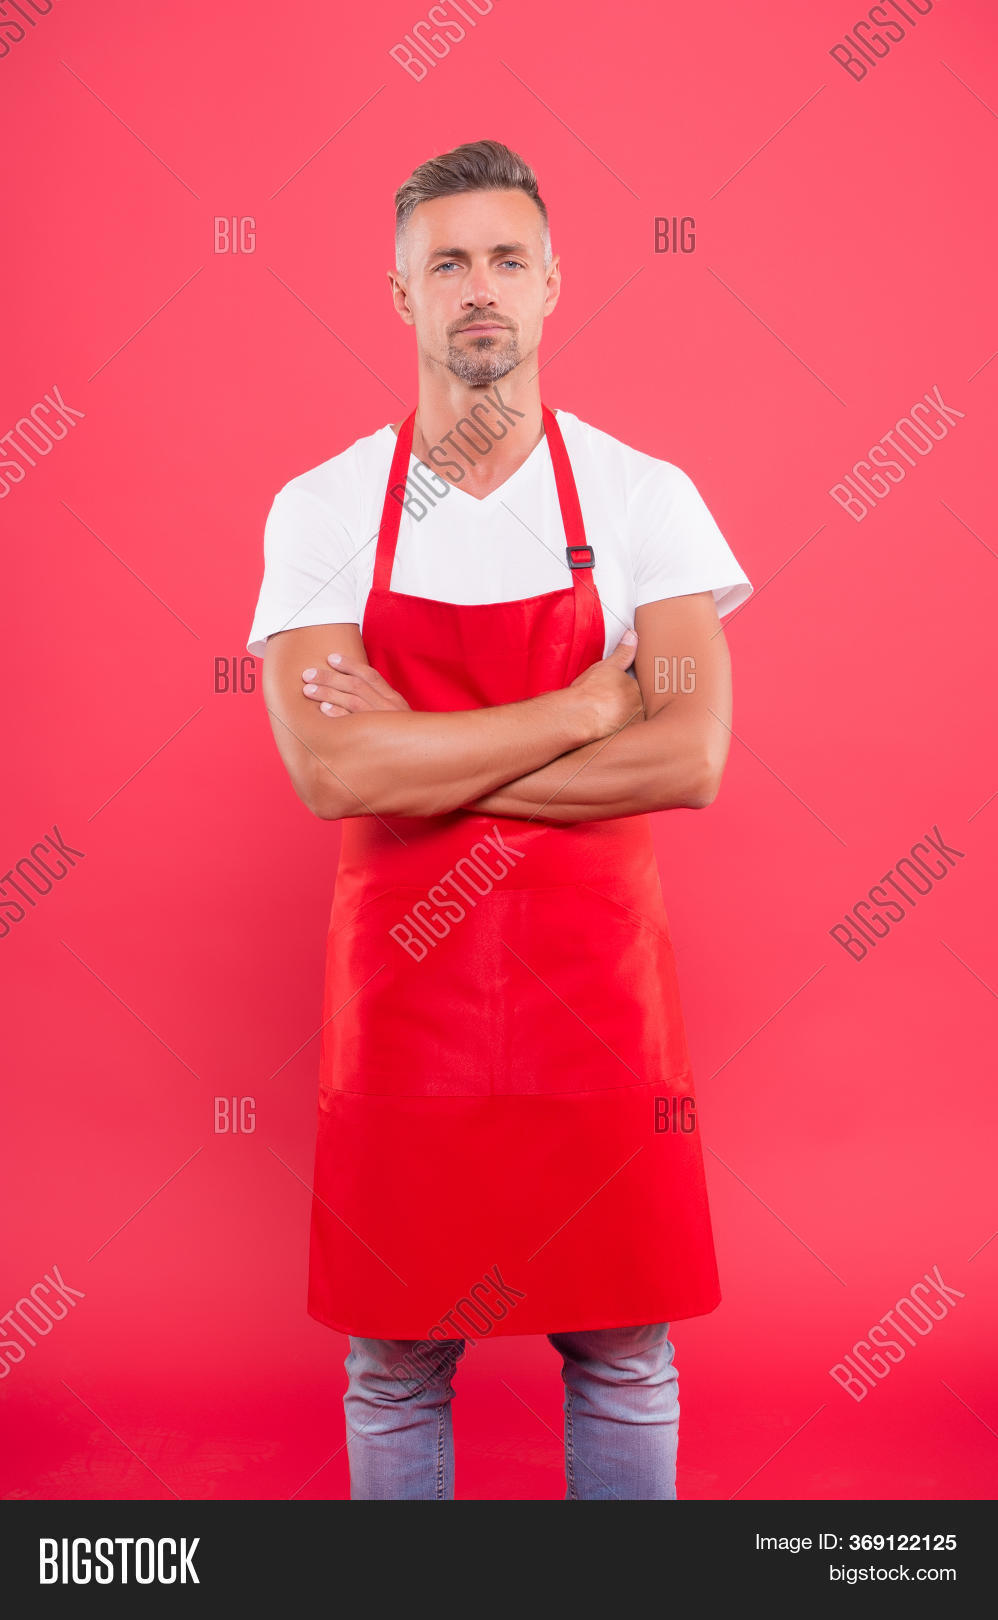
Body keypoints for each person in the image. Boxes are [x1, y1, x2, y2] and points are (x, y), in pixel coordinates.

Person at [247, 138, 753, 1500]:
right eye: (448, 261)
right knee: (393, 1364)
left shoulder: (648, 499)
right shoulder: (326, 508)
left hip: (599, 1000)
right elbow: (329, 777)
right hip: (403, 1001)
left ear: (551, 288)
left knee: (627, 1349)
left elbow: (690, 753)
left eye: (506, 260)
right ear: (400, 295)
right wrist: (584, 714)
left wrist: (420, 754)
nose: (481, 287)